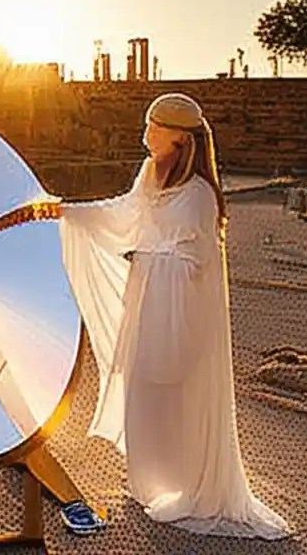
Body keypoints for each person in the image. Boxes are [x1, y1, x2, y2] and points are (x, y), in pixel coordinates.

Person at [55, 92, 291, 539]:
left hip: (179, 309)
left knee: (174, 390)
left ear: (179, 138)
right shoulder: (151, 174)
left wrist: (150, 255)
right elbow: (122, 213)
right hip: (148, 300)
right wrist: (66, 212)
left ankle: (186, 486)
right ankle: (153, 482)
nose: (145, 134)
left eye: (153, 126)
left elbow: (197, 262)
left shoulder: (200, 195)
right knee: (143, 387)